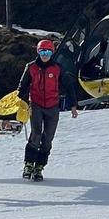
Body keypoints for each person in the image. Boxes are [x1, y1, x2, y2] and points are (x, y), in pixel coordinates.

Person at [18, 38, 78, 182]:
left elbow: (69, 86)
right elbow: (22, 86)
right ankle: (28, 164)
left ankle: (39, 166)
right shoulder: (31, 67)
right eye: (42, 51)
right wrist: (23, 102)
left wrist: (73, 105)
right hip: (36, 105)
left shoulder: (58, 68)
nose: (45, 55)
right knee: (36, 134)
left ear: (52, 53)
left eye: (48, 52)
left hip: (52, 106)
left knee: (48, 139)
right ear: (38, 52)